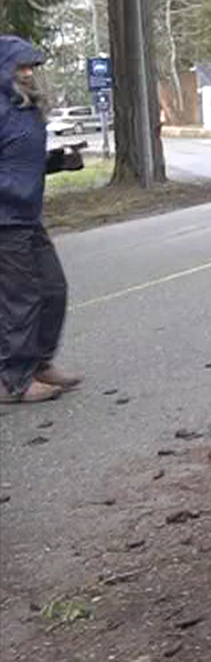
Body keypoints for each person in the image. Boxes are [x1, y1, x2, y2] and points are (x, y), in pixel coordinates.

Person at [0, 37, 87, 404]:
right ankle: (13, 380)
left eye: (31, 67)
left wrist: (57, 163)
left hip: (26, 217)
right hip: (4, 221)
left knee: (53, 289)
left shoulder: (24, 108)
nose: (28, 74)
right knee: (21, 298)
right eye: (21, 67)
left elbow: (22, 163)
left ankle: (37, 363)